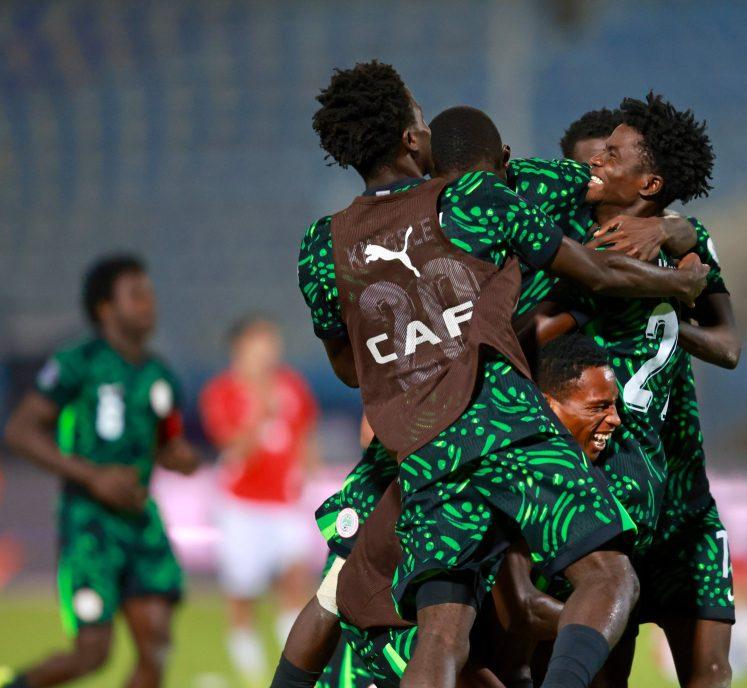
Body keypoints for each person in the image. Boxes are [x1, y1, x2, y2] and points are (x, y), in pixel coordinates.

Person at [285, 61, 709, 688]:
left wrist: (418, 341)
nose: (428, 131)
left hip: (422, 449)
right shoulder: (470, 199)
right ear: (410, 139)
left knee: (442, 633)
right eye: (421, 120)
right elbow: (595, 271)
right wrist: (681, 278)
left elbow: (349, 369)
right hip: (504, 428)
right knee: (610, 575)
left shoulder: (324, 244)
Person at [537, 96, 738, 688]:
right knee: (605, 663)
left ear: (648, 182)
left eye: (606, 156)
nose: (590, 169)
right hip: (608, 482)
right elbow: (532, 333)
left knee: (711, 672)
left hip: (683, 494)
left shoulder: (685, 238)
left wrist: (673, 296)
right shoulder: (567, 245)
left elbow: (728, 347)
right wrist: (639, 286)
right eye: (583, 162)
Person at [328, 334, 625, 688]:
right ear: (547, 405)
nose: (615, 420)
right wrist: (601, 618)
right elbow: (521, 609)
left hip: (471, 655)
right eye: (597, 407)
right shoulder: (498, 472)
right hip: (394, 641)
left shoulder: (565, 480)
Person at [1, 255, 200, 688]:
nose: (149, 303)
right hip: (90, 524)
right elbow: (19, 431)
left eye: (149, 292)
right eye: (136, 294)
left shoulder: (159, 374)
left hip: (141, 521)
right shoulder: (78, 363)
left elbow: (167, 444)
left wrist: (179, 457)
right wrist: (92, 476)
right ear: (106, 308)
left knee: (156, 646)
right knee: (93, 653)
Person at [199, 316, 319, 686]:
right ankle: (249, 674)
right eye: (259, 344)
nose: (268, 352)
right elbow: (231, 447)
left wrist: (308, 469)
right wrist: (259, 414)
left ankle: (295, 669)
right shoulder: (221, 393)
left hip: (285, 505)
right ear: (240, 350)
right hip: (242, 509)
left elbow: (305, 434)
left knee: (296, 583)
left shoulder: (292, 386)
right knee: (242, 596)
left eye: (271, 343)